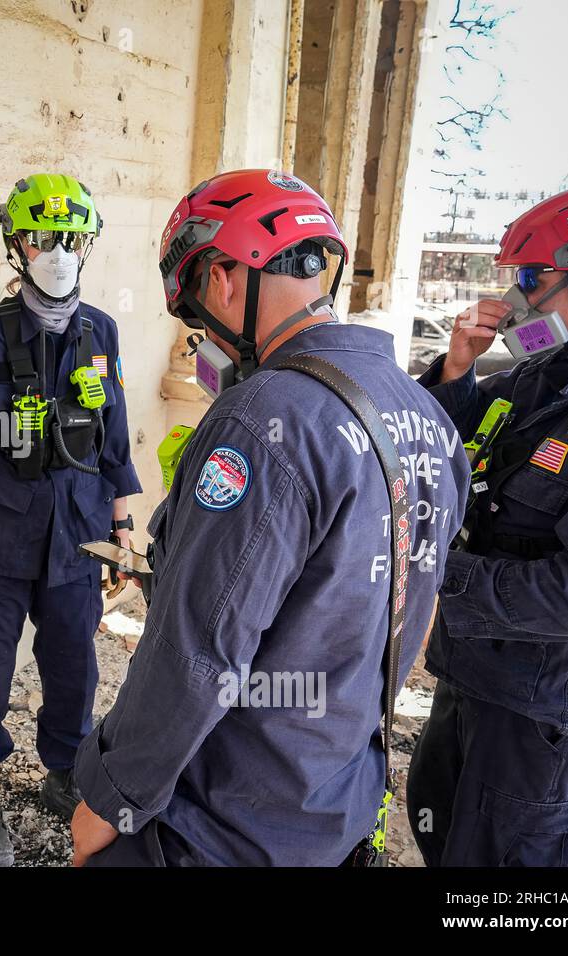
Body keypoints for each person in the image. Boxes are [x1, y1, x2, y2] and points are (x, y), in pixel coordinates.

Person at [70, 168, 469, 866]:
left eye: (194, 310)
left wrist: (111, 795)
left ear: (224, 275)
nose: (201, 337)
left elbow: (198, 649)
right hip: (335, 803)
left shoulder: (263, 419)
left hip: (223, 820)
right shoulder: (425, 414)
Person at [406, 183, 568, 867]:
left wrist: (437, 568)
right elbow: (445, 433)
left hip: (550, 716)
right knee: (442, 836)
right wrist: (456, 368)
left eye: (532, 280)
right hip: (477, 673)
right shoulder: (547, 374)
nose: (515, 302)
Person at [0, 172, 141, 866]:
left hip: (78, 539)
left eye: (68, 239)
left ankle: (61, 772)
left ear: (87, 244)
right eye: (39, 237)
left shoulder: (101, 331)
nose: (56, 252)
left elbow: (113, 433)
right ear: (15, 245)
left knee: (74, 665)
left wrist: (123, 527)